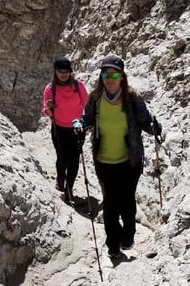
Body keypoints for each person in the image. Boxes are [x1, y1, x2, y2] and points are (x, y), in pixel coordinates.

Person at [72, 54, 162, 258]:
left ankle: (128, 234)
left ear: (122, 76)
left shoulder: (132, 98)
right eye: (105, 73)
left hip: (130, 161)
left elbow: (145, 122)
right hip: (104, 161)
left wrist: (154, 127)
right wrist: (79, 125)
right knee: (110, 203)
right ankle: (113, 244)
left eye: (113, 73)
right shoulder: (95, 98)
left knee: (127, 201)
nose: (109, 78)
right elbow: (86, 120)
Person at [42, 57, 89, 204]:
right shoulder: (50, 89)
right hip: (59, 129)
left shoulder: (78, 86)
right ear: (55, 72)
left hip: (77, 128)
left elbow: (87, 105)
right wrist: (50, 108)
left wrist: (86, 122)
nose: (63, 74)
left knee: (74, 160)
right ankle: (60, 177)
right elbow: (46, 113)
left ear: (70, 72)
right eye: (60, 71)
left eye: (66, 71)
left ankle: (69, 190)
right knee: (62, 158)